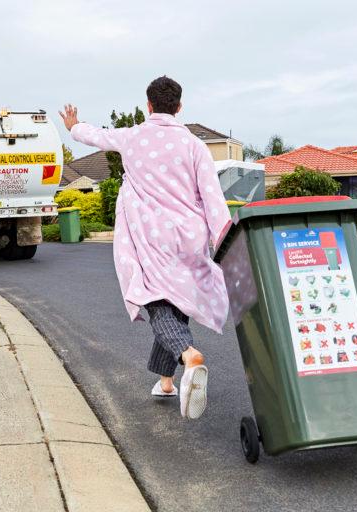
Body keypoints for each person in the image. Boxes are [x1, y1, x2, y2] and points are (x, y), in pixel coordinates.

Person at [59, 76, 231, 419]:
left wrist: (74, 125)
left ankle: (188, 354)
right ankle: (167, 382)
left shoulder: (133, 135)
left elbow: (96, 136)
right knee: (177, 300)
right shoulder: (194, 146)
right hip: (190, 236)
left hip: (150, 236)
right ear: (179, 107)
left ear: (148, 105)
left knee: (156, 302)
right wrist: (225, 239)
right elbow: (213, 199)